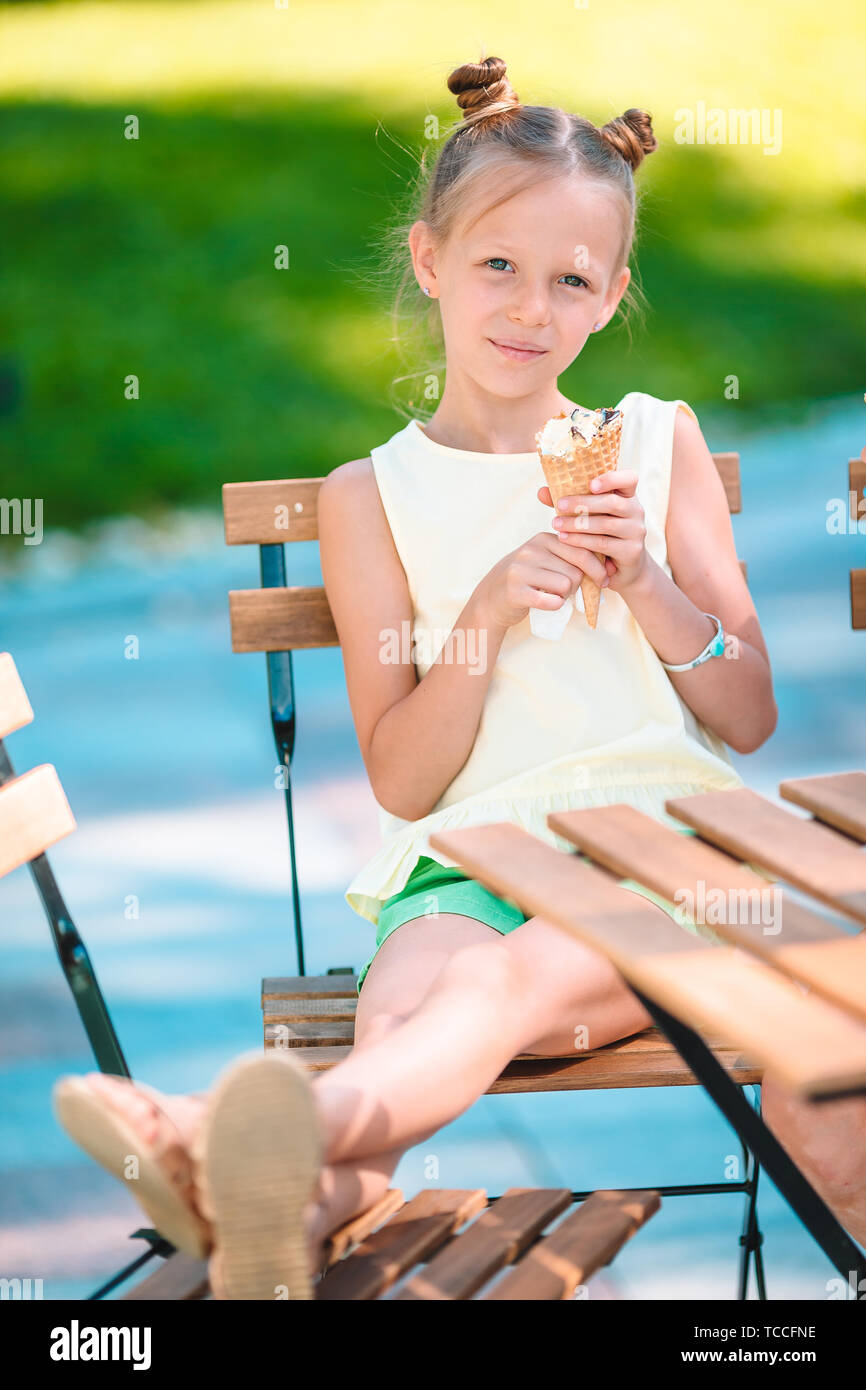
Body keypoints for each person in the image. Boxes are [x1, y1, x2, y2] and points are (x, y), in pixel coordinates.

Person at [54, 54, 866, 1299]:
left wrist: (646, 582)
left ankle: (211, 1129)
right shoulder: (368, 497)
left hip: (661, 850)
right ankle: (275, 1201)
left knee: (507, 978)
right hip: (465, 859)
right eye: (496, 265)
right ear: (429, 259)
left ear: (610, 297)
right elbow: (405, 776)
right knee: (408, 1013)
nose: (528, 308)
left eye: (569, 280)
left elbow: (746, 716)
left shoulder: (654, 441)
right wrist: (482, 612)